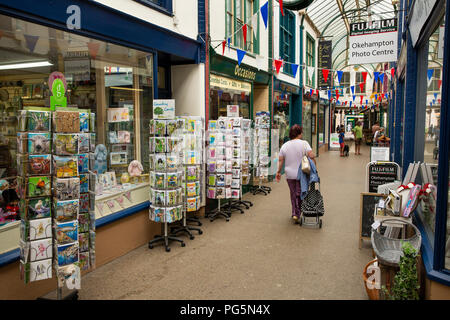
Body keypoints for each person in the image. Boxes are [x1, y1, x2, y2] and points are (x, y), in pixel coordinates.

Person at [276, 125, 315, 224]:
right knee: (300, 193)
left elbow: (280, 160)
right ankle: (297, 213)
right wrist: (314, 167)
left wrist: (278, 172)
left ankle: (294, 212)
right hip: (301, 172)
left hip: (289, 174)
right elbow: (311, 155)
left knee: (293, 193)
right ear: (299, 133)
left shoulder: (285, 145)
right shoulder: (304, 143)